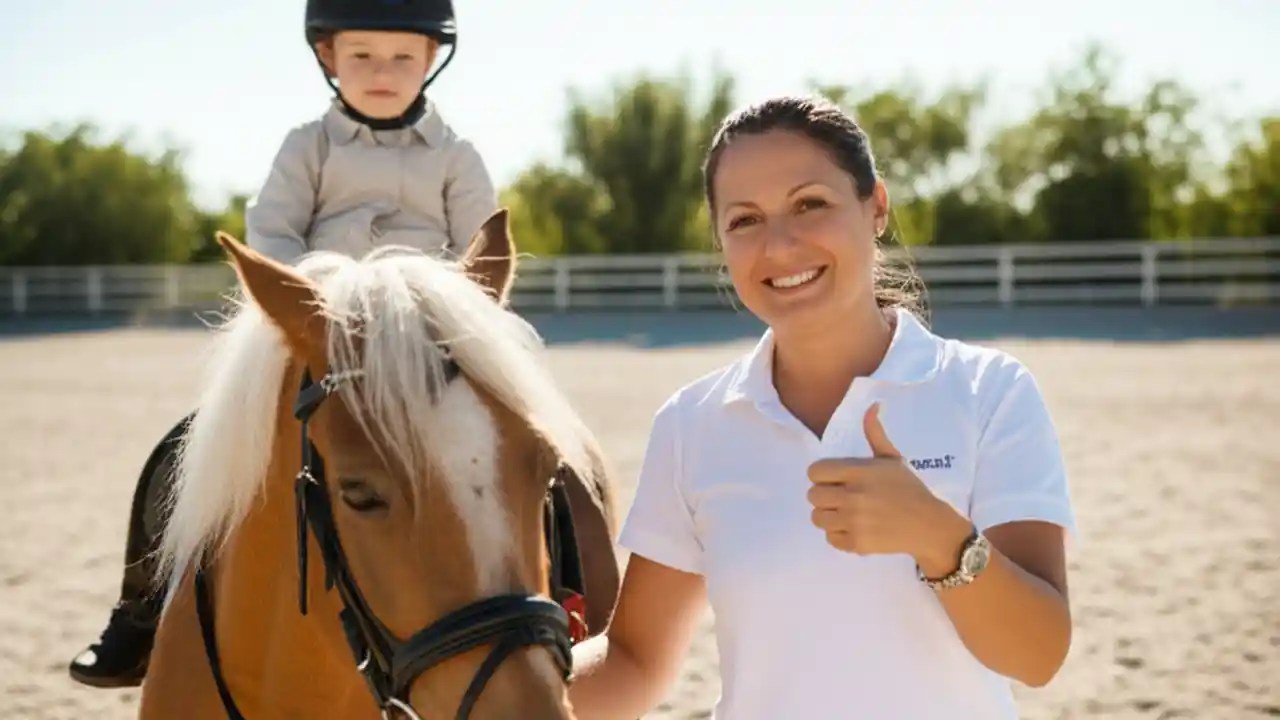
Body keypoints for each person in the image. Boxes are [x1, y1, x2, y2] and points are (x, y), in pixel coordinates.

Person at [565, 95, 1077, 719]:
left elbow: (1038, 655)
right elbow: (634, 662)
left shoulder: (987, 392)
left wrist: (935, 535)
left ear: (876, 207)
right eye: (745, 220)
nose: (779, 246)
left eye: (810, 204)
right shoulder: (692, 424)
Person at [68, 0, 497, 688]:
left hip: (426, 344)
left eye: (401, 57)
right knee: (184, 447)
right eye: (361, 55)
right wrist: (312, 303)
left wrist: (441, 317)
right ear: (327, 58)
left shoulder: (458, 155)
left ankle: (561, 604)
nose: (381, 71)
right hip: (320, 335)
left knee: (530, 454)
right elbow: (272, 235)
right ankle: (139, 613)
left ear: (430, 61)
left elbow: (480, 247)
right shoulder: (307, 147)